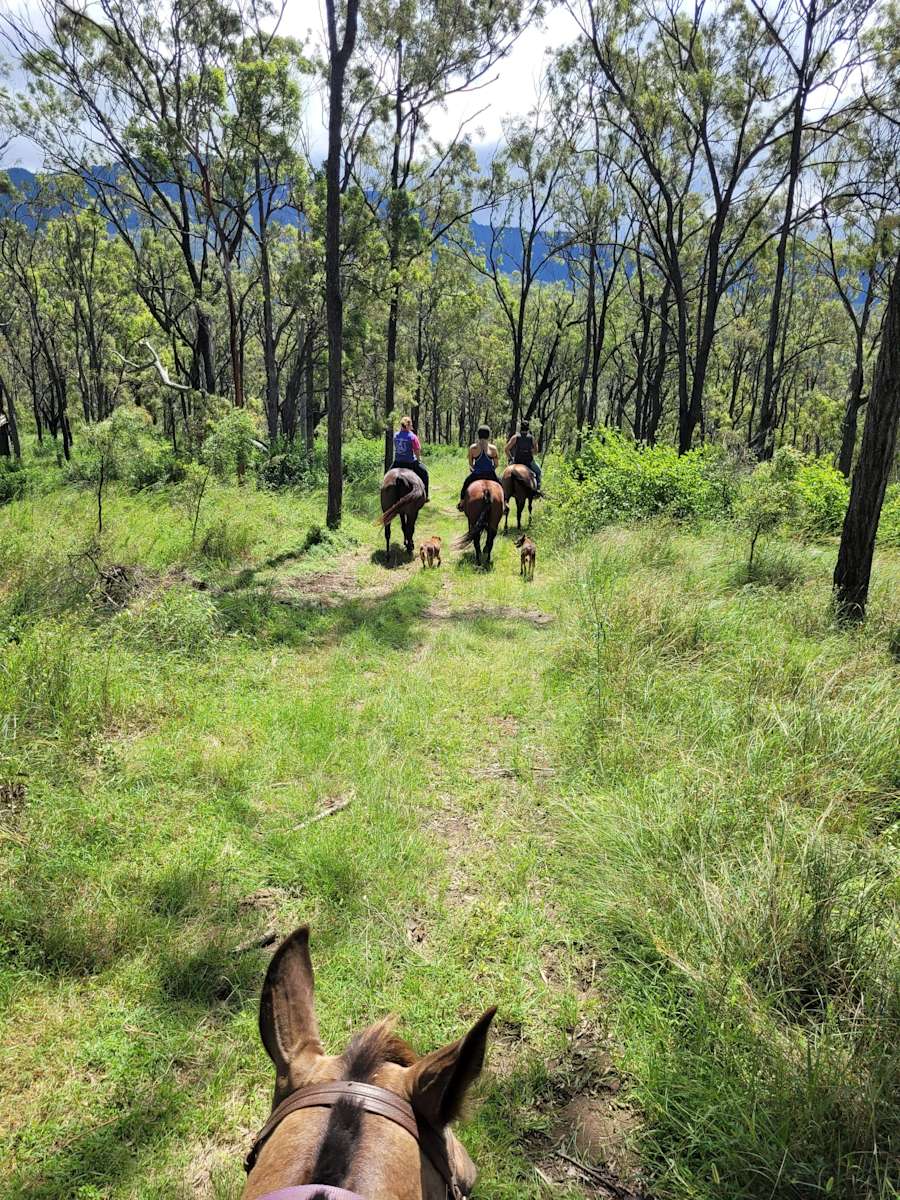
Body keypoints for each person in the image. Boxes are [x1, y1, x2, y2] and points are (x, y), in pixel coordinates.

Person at [457, 424, 501, 510]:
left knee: (466, 484)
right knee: (501, 484)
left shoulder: (473, 448)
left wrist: (474, 469)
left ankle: (462, 502)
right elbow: (496, 464)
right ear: (488, 435)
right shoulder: (493, 448)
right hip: (490, 475)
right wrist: (491, 469)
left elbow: (471, 464)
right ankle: (505, 503)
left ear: (478, 435)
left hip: (477, 474)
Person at [389, 416, 429, 499]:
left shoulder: (396, 435)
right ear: (409, 425)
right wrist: (419, 460)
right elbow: (417, 451)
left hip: (397, 462)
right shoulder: (412, 436)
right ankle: (426, 496)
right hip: (410, 463)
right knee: (424, 473)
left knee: (387, 476)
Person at [505, 420, 542, 493]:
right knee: (538, 472)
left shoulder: (515, 437)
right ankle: (537, 489)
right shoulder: (532, 438)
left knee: (506, 473)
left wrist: (511, 458)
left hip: (517, 461)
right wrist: (530, 452)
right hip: (529, 461)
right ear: (528, 428)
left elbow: (506, 449)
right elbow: (536, 451)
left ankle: (503, 489)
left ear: (520, 428)